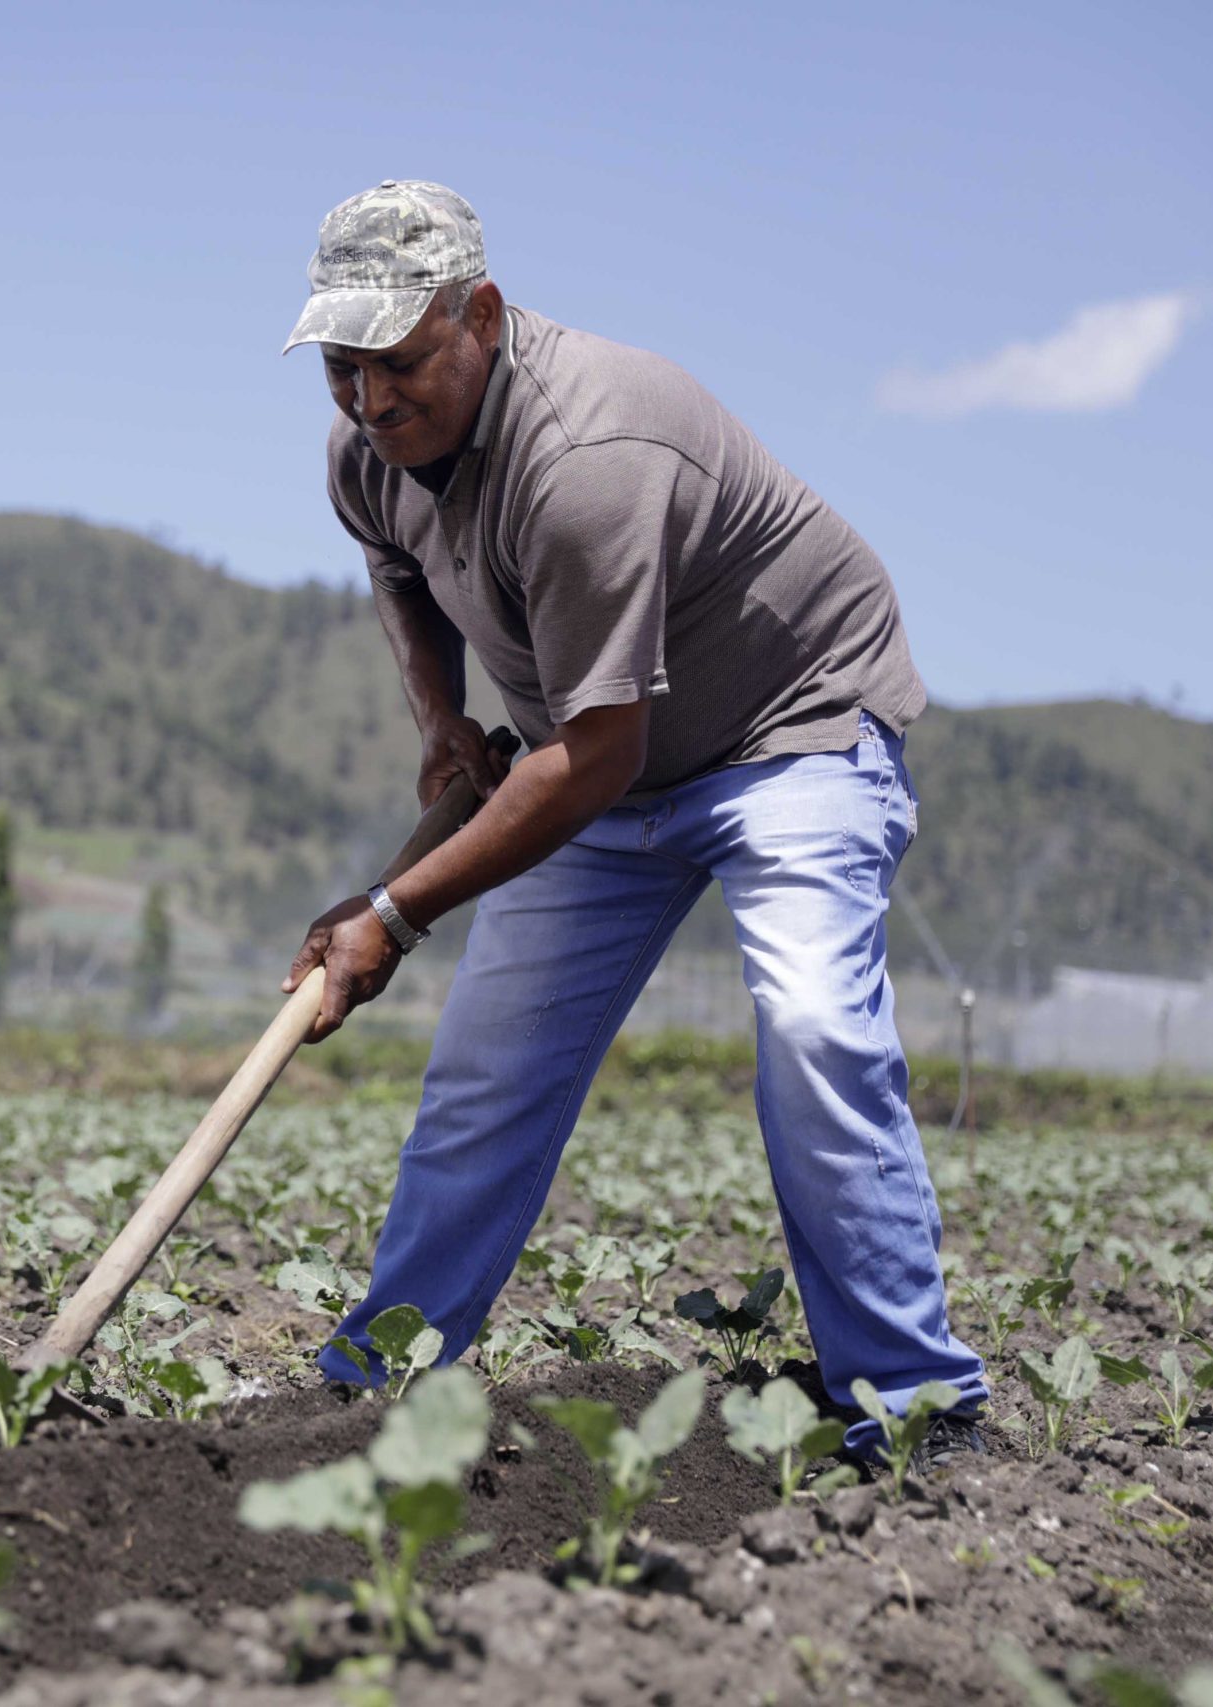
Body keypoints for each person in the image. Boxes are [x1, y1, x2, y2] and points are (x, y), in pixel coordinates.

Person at [277, 179, 986, 1460]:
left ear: (478, 316)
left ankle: (913, 1407)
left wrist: (391, 913)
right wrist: (440, 720)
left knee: (817, 1031)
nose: (372, 403)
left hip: (786, 729)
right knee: (488, 1070)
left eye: (398, 365)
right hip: (597, 750)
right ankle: (374, 1383)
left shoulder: (590, 454)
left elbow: (598, 759)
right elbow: (399, 566)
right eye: (341, 370)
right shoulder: (366, 453)